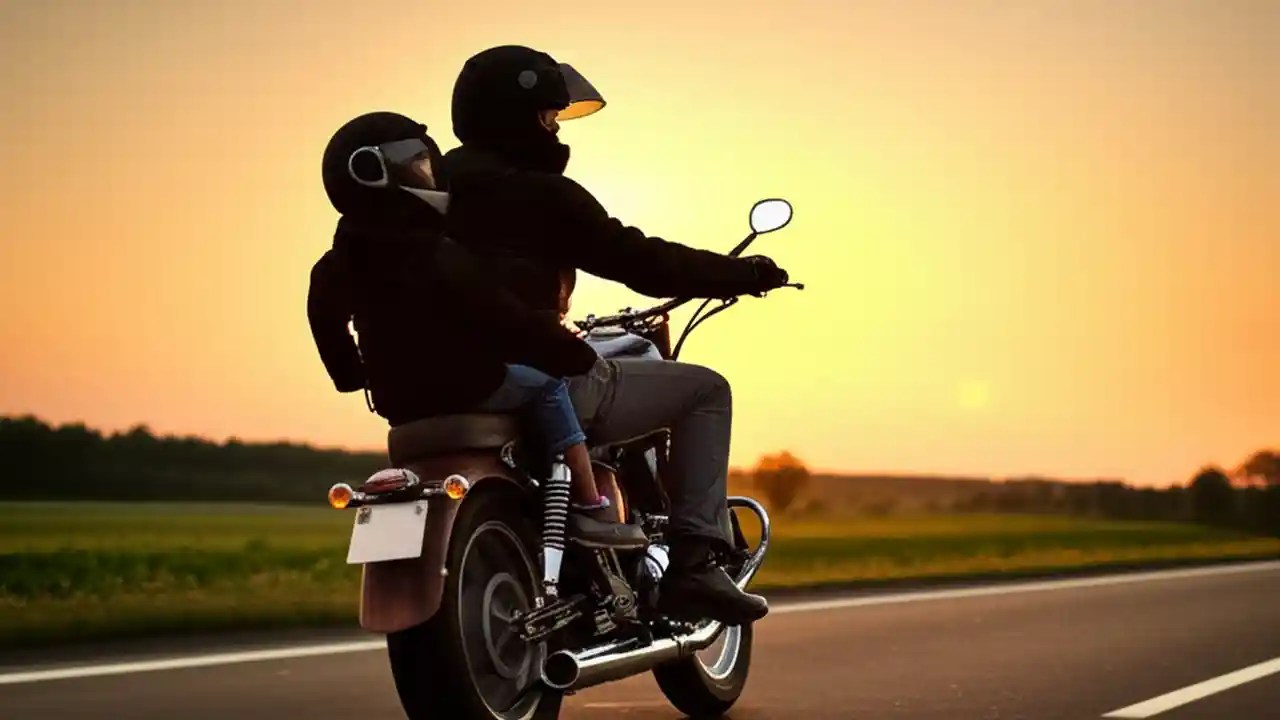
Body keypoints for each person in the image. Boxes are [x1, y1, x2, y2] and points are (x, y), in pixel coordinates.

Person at [439, 46, 791, 625]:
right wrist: (743, 273)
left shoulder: (427, 192)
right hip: (533, 374)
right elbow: (644, 261)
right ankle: (696, 565)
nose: (553, 128)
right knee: (706, 390)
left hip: (450, 380)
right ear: (520, 118)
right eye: (547, 116)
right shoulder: (541, 193)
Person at [307, 111, 643, 546]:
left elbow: (325, 324)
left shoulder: (335, 265)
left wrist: (351, 376)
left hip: (399, 403)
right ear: (373, 173)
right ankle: (590, 505)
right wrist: (572, 355)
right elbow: (504, 317)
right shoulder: (435, 254)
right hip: (467, 386)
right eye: (416, 163)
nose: (428, 172)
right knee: (547, 386)